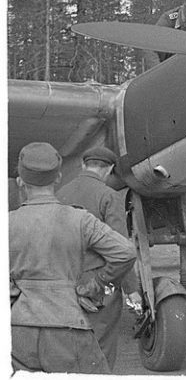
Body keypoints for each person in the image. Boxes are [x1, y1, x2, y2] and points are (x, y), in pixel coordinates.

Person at [10, 142, 136, 374]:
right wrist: (97, 283)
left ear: (20, 180)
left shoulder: (8, 222)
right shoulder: (81, 219)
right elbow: (125, 252)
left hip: (17, 329)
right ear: (58, 176)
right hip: (68, 322)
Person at [57, 146, 142, 371]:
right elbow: (121, 248)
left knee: (68, 347)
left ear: (84, 165)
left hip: (64, 282)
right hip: (100, 285)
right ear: (109, 169)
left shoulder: (61, 194)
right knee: (99, 349)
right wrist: (132, 291)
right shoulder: (108, 196)